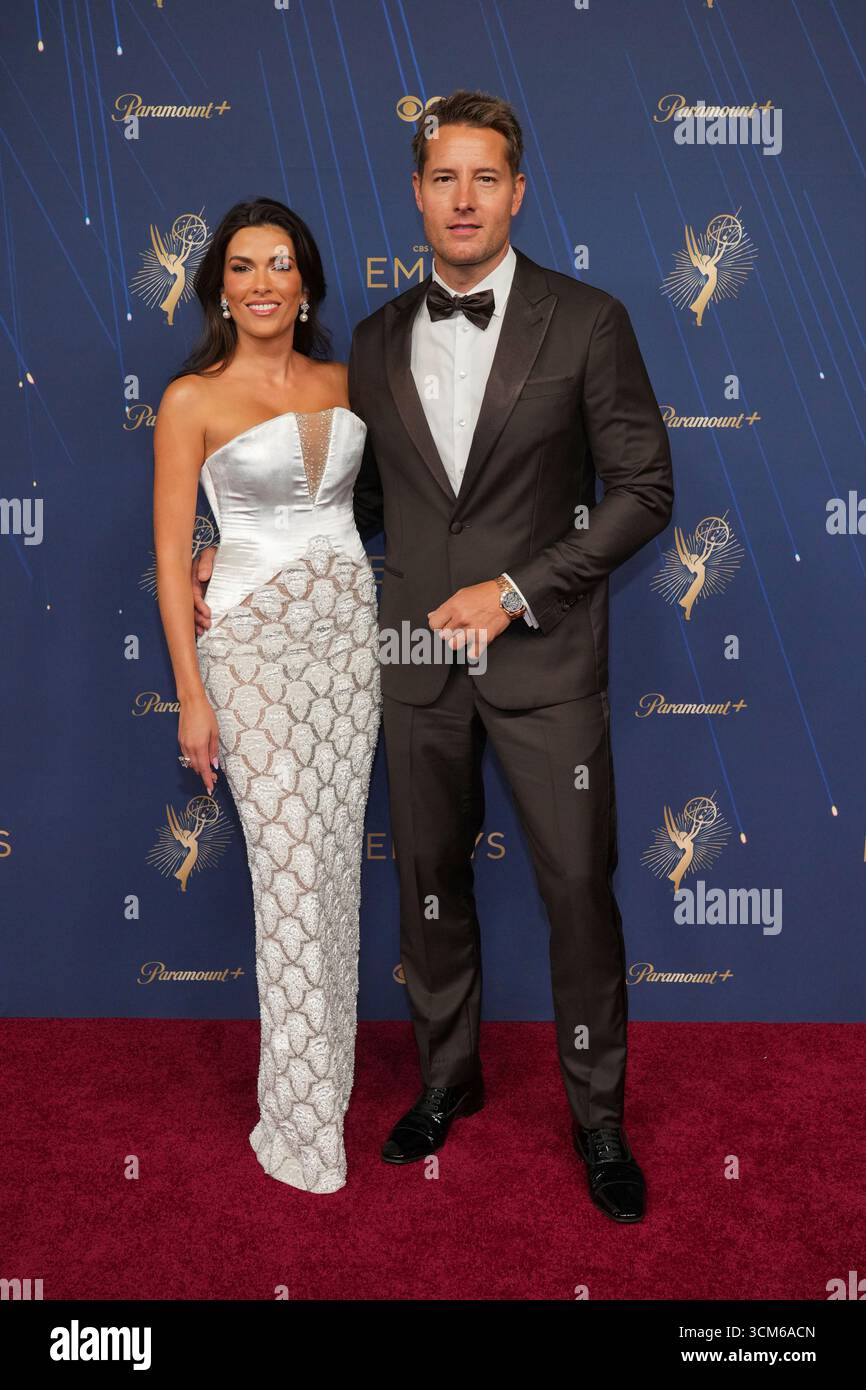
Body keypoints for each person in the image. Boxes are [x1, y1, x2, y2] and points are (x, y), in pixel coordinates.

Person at [196, 89, 674, 1222]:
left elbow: (646, 490)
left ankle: (597, 1118)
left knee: (573, 890)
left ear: (516, 190)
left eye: (484, 178)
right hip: (403, 661)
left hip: (543, 659)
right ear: (415, 194)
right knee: (426, 891)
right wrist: (237, 550)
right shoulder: (367, 338)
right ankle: (446, 1081)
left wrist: (514, 591)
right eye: (441, 178)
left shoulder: (590, 320)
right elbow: (348, 498)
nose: (462, 199)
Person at [153, 198, 381, 1194]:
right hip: (246, 654)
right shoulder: (189, 399)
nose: (259, 282)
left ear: (306, 282)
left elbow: (382, 502)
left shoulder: (348, 382)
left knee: (330, 873)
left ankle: (321, 1089)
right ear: (218, 288)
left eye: (278, 263)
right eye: (240, 266)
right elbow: (169, 560)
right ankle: (293, 1126)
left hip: (346, 653)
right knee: (286, 873)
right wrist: (190, 696)